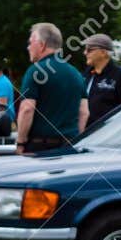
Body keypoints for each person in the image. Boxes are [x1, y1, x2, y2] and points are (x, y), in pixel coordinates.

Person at [16, 23, 86, 153]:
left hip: (40, 148)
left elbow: (27, 109)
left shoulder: (35, 71)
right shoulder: (76, 73)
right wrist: (77, 140)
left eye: (31, 42)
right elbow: (84, 112)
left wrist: (20, 142)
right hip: (70, 147)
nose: (28, 47)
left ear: (41, 44)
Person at [81, 34, 121, 128]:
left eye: (89, 50)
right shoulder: (87, 73)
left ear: (103, 52)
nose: (85, 53)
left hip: (107, 133)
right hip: (85, 132)